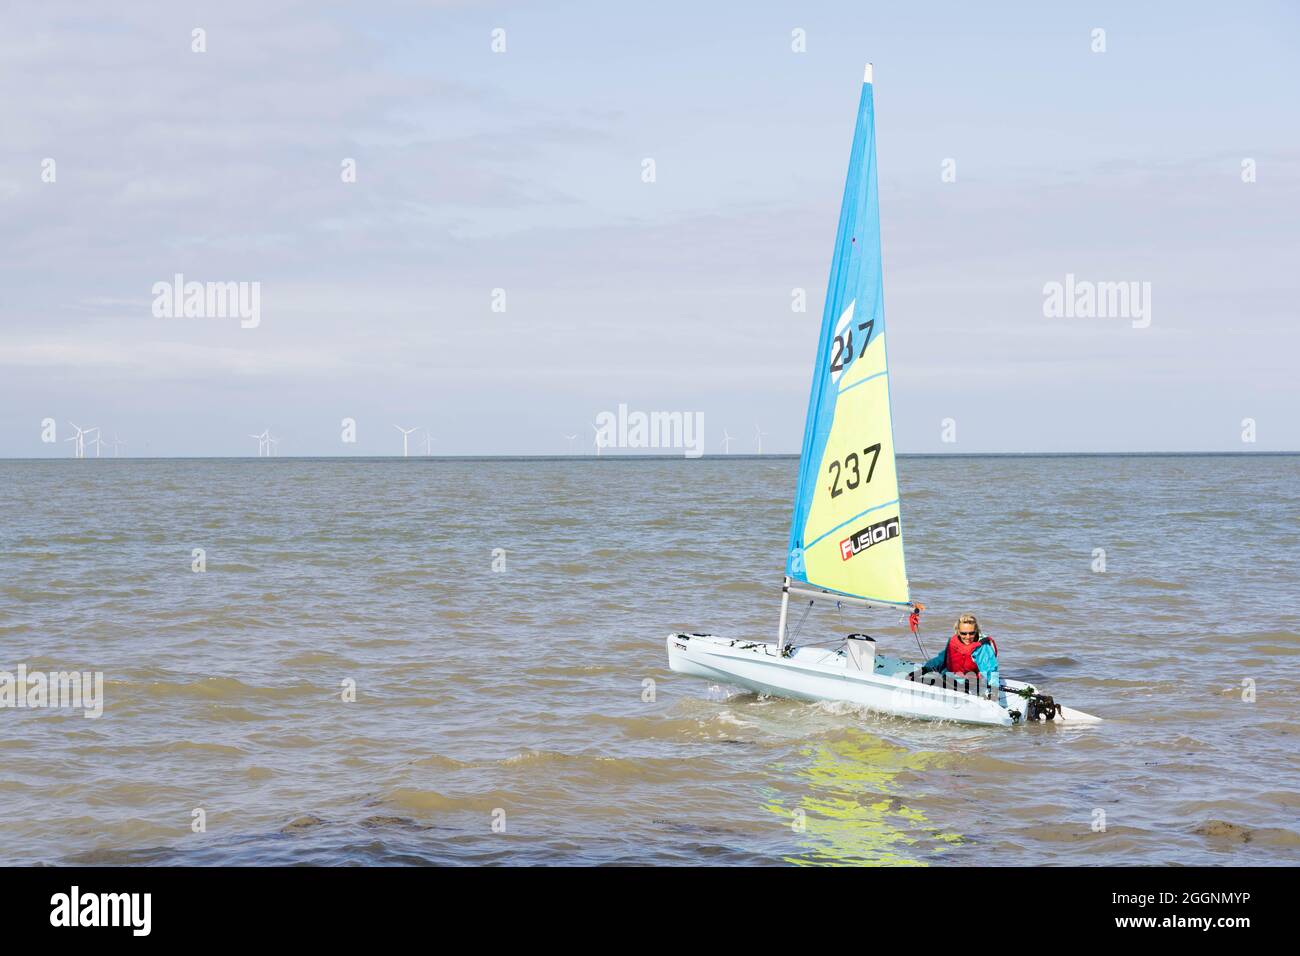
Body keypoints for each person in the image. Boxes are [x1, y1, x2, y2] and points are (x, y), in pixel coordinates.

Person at [921, 613, 1000, 697]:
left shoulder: (982, 648)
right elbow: (941, 659)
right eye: (963, 633)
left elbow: (990, 671)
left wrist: (994, 692)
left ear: (976, 631)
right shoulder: (954, 642)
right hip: (950, 679)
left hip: (971, 685)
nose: (968, 637)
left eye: (971, 633)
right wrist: (925, 669)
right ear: (958, 631)